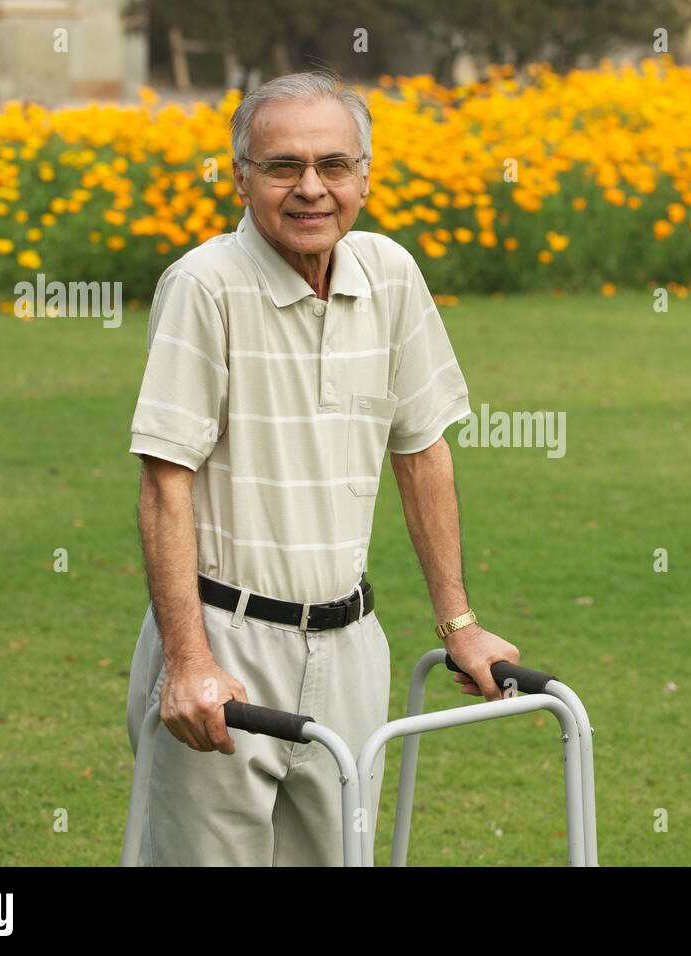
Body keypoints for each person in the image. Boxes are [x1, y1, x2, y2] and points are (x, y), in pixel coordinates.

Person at [123, 70, 519, 866]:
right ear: (242, 177)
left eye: (334, 166)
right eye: (283, 167)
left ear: (365, 177)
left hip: (351, 647)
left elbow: (421, 449)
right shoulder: (205, 285)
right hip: (224, 644)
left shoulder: (391, 274)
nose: (311, 189)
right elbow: (167, 479)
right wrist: (190, 661)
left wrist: (460, 625)